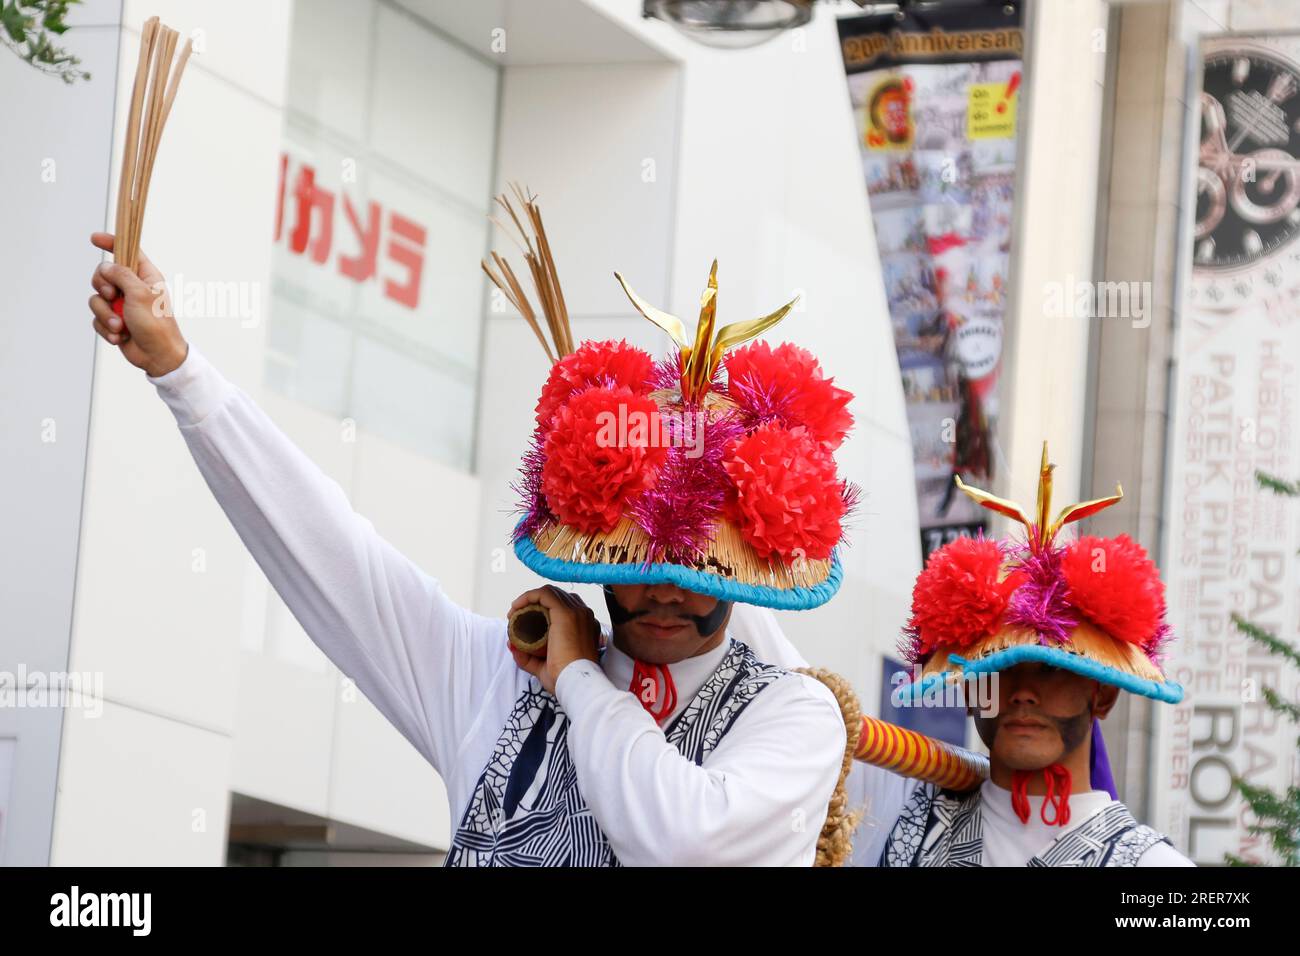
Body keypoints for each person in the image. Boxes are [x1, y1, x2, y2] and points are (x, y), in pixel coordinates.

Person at [85, 220, 860, 867]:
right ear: (598, 553)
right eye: (638, 563)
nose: (663, 591)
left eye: (694, 572)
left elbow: (683, 838)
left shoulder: (794, 716)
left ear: (744, 575)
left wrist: (580, 683)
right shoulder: (498, 675)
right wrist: (180, 370)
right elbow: (334, 554)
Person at [845, 445, 1194, 867]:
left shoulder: (1152, 866)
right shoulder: (891, 807)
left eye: (1052, 669)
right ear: (974, 688)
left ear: (1102, 696)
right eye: (1001, 665)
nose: (1023, 692)